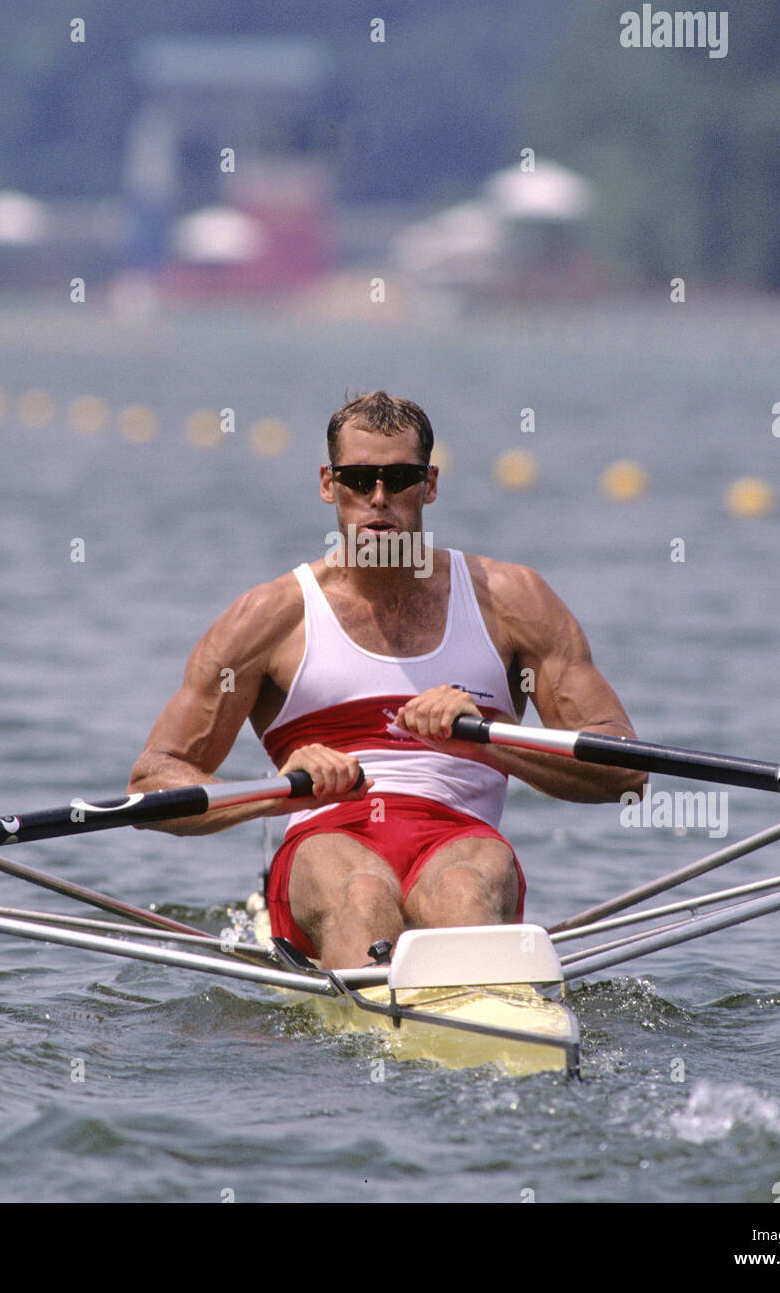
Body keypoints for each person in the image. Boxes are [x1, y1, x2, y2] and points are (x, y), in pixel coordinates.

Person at [129, 391, 645, 969]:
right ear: (329, 483)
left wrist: (490, 733)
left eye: (399, 479)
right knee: (364, 897)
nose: (379, 500)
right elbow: (150, 787)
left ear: (430, 484)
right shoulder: (269, 619)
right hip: (329, 837)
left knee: (464, 893)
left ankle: (475, 1023)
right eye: (359, 479)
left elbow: (624, 770)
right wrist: (275, 788)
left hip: (459, 837)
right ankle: (380, 1034)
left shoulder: (512, 601)